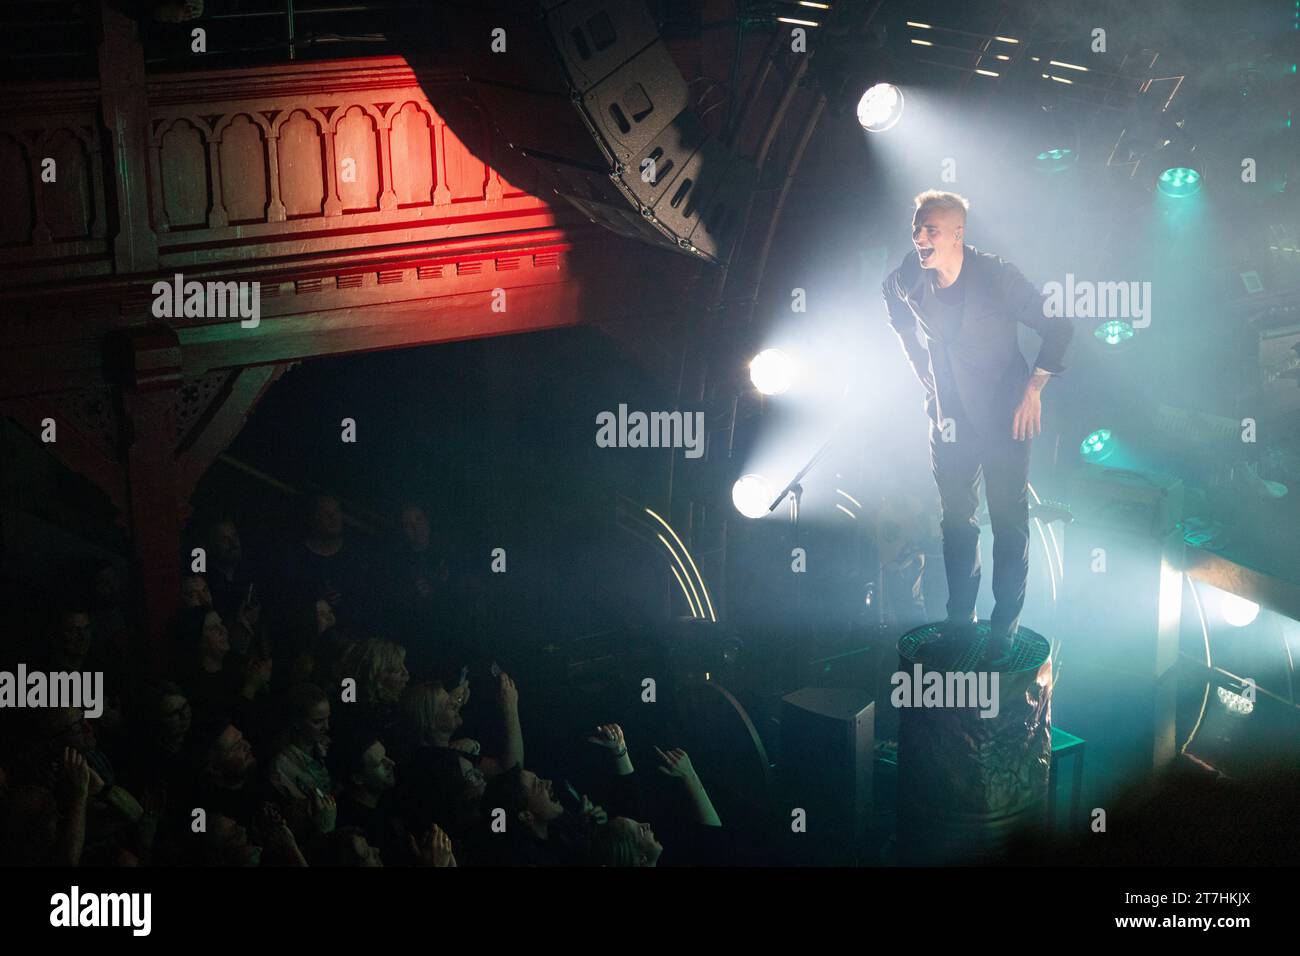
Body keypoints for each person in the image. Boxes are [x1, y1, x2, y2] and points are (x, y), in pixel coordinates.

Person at [881, 189, 1073, 661]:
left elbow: (1059, 327)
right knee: (957, 523)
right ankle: (960, 621)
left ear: (958, 235)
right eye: (916, 228)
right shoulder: (910, 273)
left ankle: (1005, 624)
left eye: (931, 230)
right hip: (949, 421)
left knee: (1009, 524)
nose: (919, 237)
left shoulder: (997, 275)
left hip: (1007, 417)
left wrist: (1033, 392)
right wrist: (918, 368)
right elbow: (891, 301)